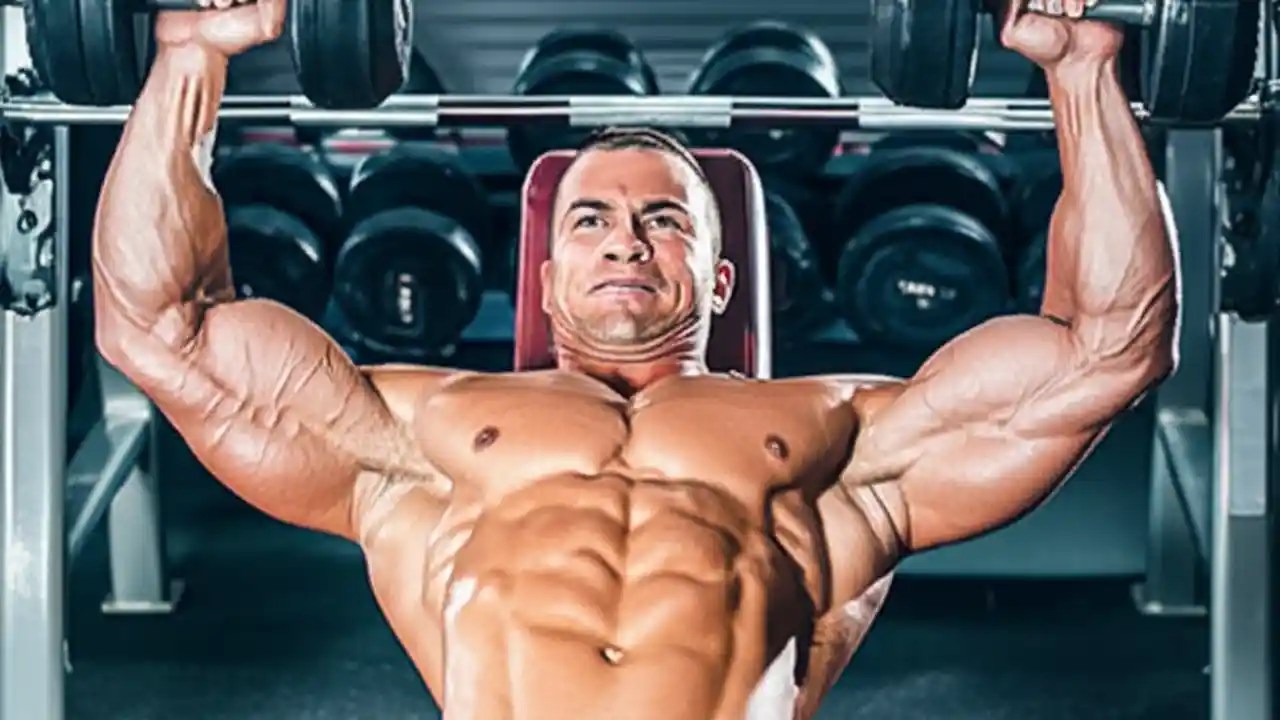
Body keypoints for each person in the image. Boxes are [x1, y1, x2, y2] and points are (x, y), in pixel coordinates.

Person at [92, 0, 1178, 717]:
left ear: (716, 280)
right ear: (547, 277)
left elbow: (1108, 346)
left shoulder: (833, 438)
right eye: (590, 220)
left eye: (663, 219)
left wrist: (1081, 72)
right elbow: (160, 326)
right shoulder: (417, 433)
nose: (623, 237)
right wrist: (191, 55)